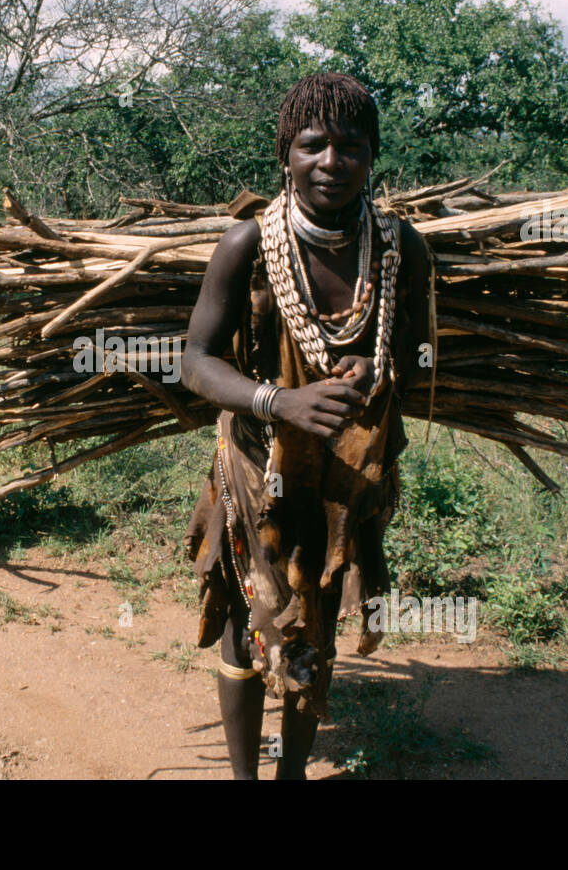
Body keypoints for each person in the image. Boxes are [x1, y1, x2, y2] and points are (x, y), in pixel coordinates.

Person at [179, 73, 436, 779]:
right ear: (285, 153)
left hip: (344, 471)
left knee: (313, 614)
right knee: (248, 616)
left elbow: (417, 350)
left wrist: (373, 378)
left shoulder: (398, 248)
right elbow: (194, 361)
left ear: (373, 154)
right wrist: (277, 401)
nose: (332, 161)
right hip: (256, 464)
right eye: (312, 144)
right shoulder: (248, 246)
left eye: (351, 146)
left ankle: (291, 774)